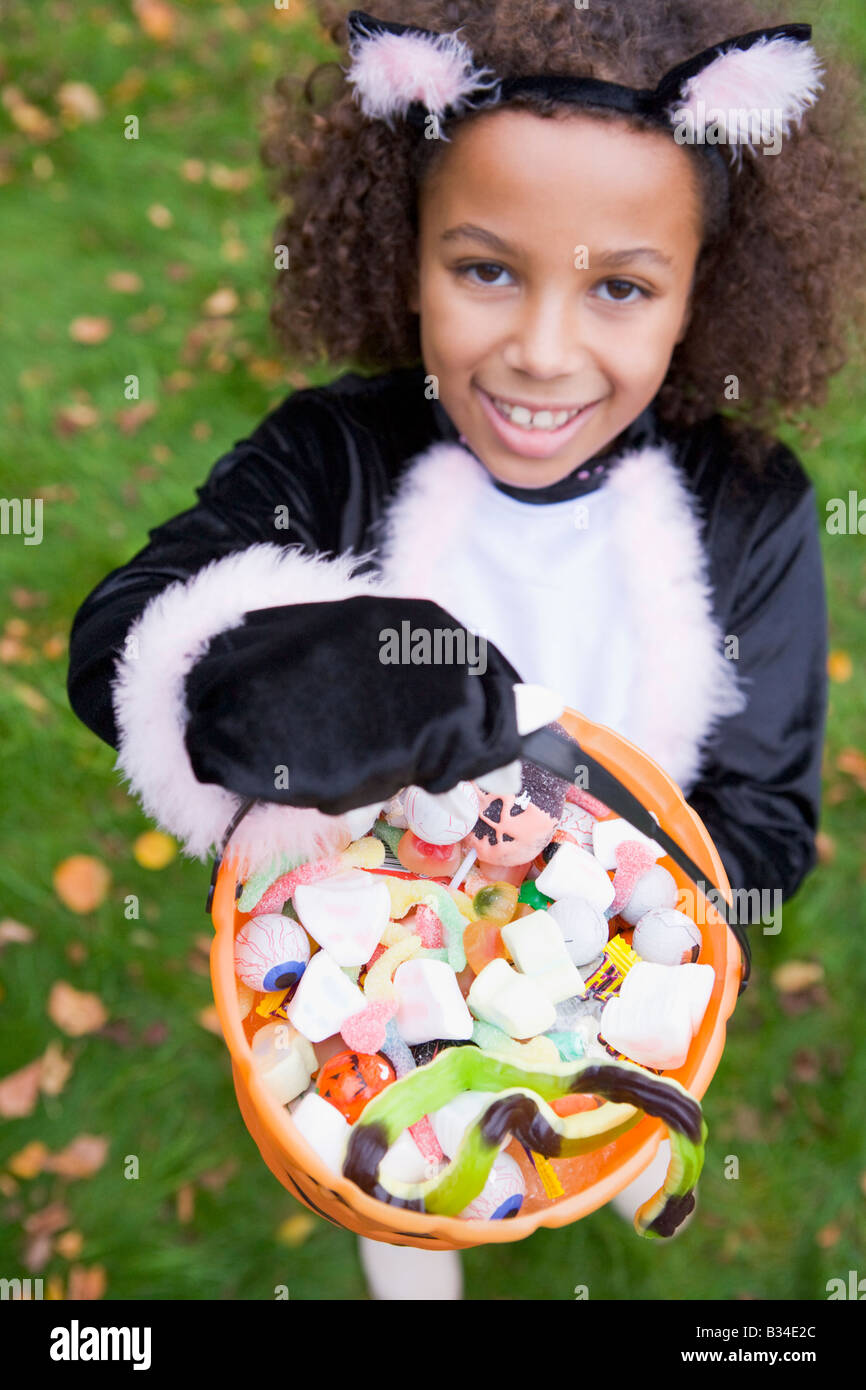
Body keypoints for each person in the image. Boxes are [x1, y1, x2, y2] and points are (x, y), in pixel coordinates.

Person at [66, 0, 866, 1300]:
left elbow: (763, 821)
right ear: (406, 250)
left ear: (700, 290)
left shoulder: (747, 508)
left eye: (619, 286)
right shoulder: (334, 455)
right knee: (403, 1170)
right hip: (372, 955)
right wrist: (286, 678)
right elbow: (129, 634)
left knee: (538, 1115)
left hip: (587, 961)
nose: (542, 351)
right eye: (486, 268)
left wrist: (599, 870)